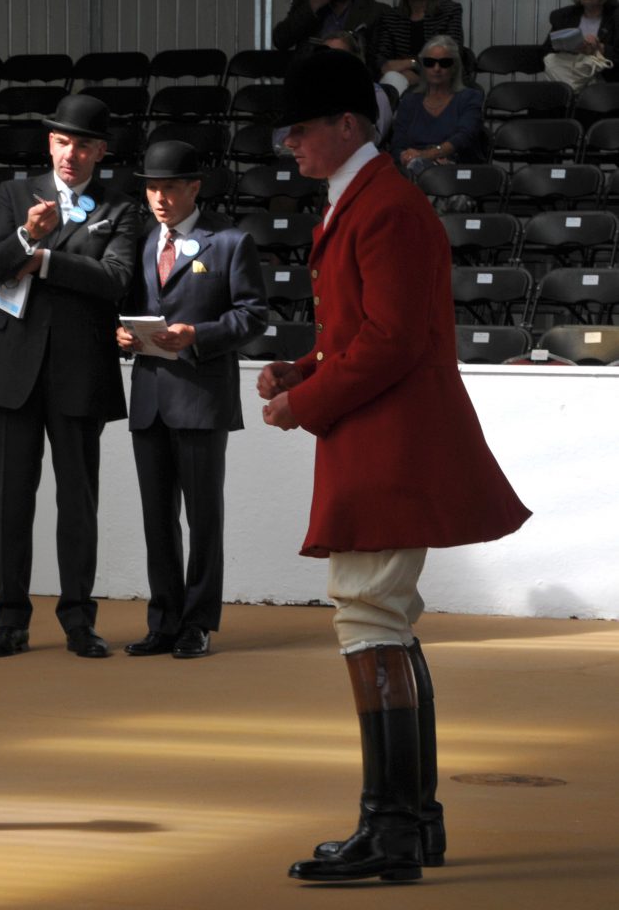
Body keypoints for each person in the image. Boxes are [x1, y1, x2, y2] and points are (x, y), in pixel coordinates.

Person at [260, 50, 531, 883]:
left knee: (369, 616)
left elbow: (390, 343)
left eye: (301, 130)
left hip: (387, 441)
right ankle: (413, 821)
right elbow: (367, 336)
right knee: (385, 618)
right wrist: (304, 371)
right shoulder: (369, 202)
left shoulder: (385, 207)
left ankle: (393, 830)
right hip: (381, 434)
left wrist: (303, 404)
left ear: (349, 125)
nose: (290, 146)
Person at [0, 94, 143, 660]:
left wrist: (41, 260)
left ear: (100, 152)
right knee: (11, 501)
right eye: (63, 142)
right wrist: (22, 238)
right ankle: (11, 620)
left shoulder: (122, 208)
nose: (71, 153)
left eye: (83, 144)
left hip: (79, 372)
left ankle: (78, 621)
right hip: (11, 369)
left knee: (77, 503)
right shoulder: (15, 194)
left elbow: (116, 280)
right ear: (50, 145)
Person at [114, 141, 267, 661]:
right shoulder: (138, 244)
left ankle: (198, 623)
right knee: (157, 520)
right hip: (150, 398)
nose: (159, 197)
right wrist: (125, 336)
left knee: (203, 520)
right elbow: (129, 307)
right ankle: (163, 622)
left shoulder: (228, 242)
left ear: (194, 188)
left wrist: (197, 333)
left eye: (170, 187)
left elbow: (253, 316)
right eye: (152, 187)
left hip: (202, 399)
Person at [390, 35, 486, 175]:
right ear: (423, 66)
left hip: (458, 172)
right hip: (413, 171)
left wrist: (427, 155)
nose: (436, 68)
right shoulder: (409, 101)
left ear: (454, 67)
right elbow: (397, 145)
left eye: (444, 63)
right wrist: (407, 157)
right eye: (430, 62)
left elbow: (464, 137)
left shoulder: (470, 97)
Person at [319, 30, 398, 146]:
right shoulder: (311, 92)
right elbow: (286, 134)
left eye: (338, 54)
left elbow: (371, 140)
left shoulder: (376, 94)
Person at [371, 0, 466, 94]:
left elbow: (451, 56)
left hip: (440, 80)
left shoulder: (449, 11)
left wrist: (418, 74)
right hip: (401, 79)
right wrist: (410, 64)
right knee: (392, 78)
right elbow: (382, 63)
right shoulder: (391, 17)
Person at [543, 0, 619, 89]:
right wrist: (567, 47)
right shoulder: (563, 16)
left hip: (605, 80)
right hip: (569, 74)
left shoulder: (616, 15)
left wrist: (600, 48)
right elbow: (546, 51)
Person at [273, 0, 388, 54]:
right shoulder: (307, 4)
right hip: (308, 82)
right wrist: (314, 5)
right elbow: (280, 40)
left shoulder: (373, 10)